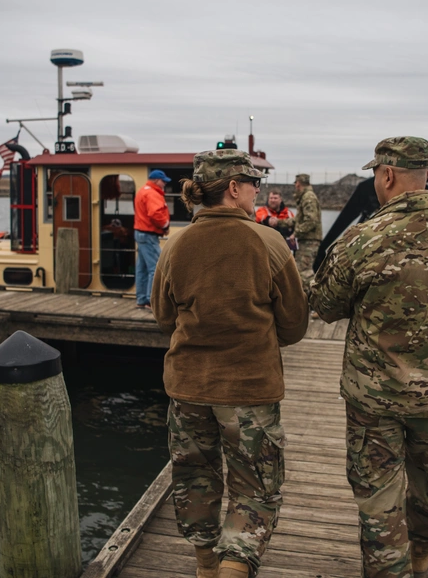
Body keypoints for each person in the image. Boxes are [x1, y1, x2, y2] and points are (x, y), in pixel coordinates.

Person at [308, 137, 428, 577]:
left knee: (378, 495)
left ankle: (390, 568)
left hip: (375, 399)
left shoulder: (360, 238)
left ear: (387, 176)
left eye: (376, 174)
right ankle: (423, 554)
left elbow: (325, 306)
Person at [151, 149, 309, 578]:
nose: (258, 191)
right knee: (255, 488)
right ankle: (235, 567)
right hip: (249, 392)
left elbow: (164, 317)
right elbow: (294, 325)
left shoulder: (175, 245)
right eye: (253, 184)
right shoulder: (269, 242)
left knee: (194, 482)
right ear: (234, 189)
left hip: (188, 389)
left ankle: (205, 565)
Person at [133, 169, 171, 310]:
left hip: (140, 233)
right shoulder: (152, 193)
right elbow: (155, 213)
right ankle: (151, 300)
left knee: (142, 268)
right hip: (148, 235)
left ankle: (141, 299)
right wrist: (165, 225)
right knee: (156, 267)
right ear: (156, 180)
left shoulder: (143, 190)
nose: (164, 184)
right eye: (163, 181)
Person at [277, 173, 322, 284]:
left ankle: (308, 298)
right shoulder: (305, 196)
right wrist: (280, 222)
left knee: (304, 272)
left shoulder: (308, 197)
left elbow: (311, 221)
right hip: (306, 240)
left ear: (298, 184)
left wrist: (295, 234)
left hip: (309, 241)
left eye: (296, 183)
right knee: (300, 270)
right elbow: (299, 219)